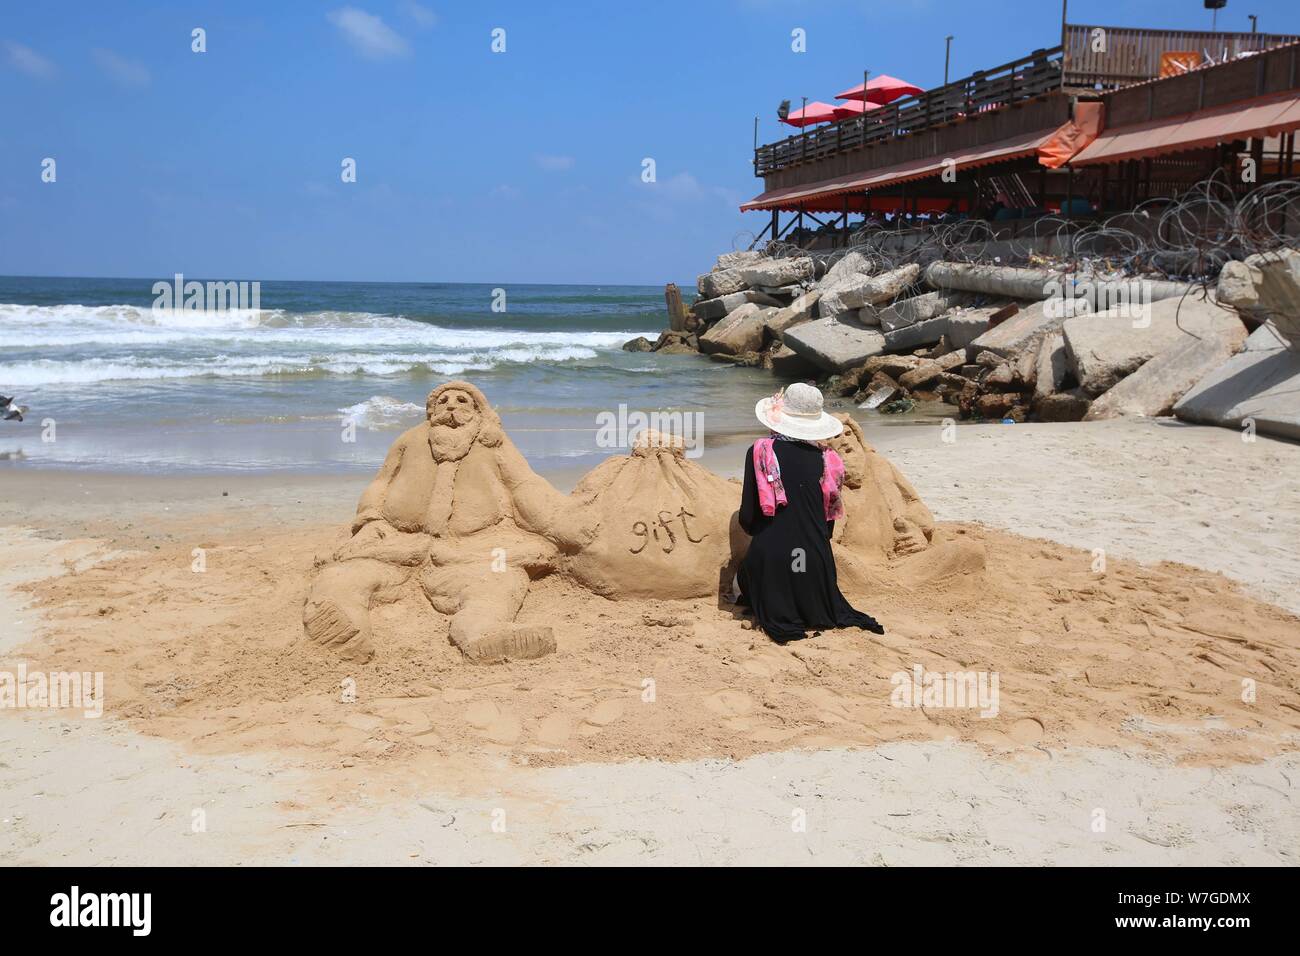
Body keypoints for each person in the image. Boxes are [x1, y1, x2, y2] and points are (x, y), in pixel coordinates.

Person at [735, 383, 884, 643]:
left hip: (775, 560)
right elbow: (827, 526)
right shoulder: (829, 460)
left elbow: (749, 516)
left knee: (747, 573)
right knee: (800, 565)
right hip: (816, 566)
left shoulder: (761, 452)